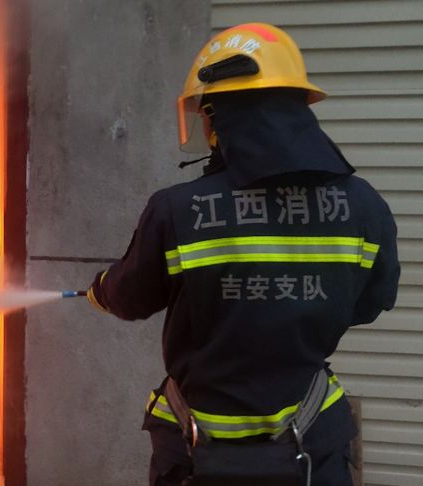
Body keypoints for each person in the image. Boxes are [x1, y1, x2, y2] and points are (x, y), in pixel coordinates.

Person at [86, 23, 400, 486]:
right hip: (310, 446)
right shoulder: (365, 205)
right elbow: (370, 304)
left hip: (200, 456)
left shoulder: (178, 209)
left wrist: (101, 292)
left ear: (217, 115)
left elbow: (131, 297)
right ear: (297, 108)